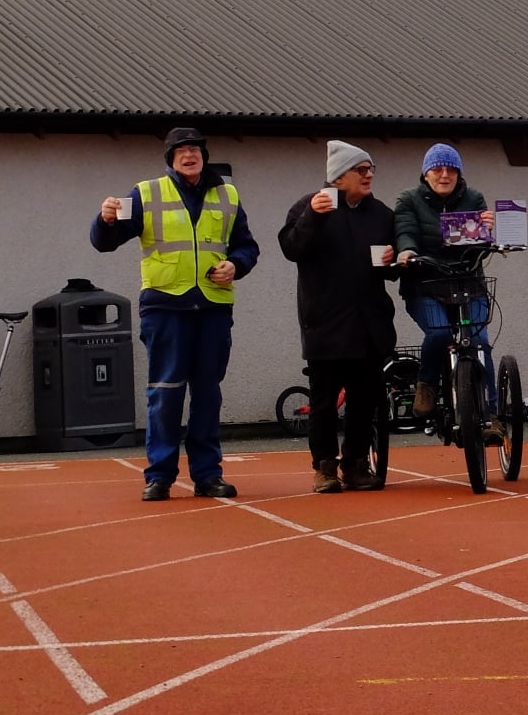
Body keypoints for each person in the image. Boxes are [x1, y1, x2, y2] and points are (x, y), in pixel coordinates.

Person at [91, 126, 259, 501]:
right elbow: (105, 242)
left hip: (213, 307)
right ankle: (160, 476)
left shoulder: (228, 194)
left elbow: (247, 246)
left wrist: (235, 264)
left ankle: (208, 475)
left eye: (195, 149)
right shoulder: (147, 193)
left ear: (204, 155)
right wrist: (105, 219)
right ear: (170, 159)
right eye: (181, 150)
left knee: (207, 393)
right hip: (166, 306)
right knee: (165, 393)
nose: (189, 154)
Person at [277, 142, 400, 493]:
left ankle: (356, 465)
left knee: (365, 401)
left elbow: (392, 271)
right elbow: (291, 248)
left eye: (371, 169)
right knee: (323, 403)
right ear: (338, 176)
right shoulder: (310, 205)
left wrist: (391, 260)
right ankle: (325, 467)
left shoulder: (381, 214)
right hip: (325, 323)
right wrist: (312, 217)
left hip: (369, 324)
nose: (369, 175)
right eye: (361, 170)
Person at [391, 143, 492, 422]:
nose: (444, 175)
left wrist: (489, 231)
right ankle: (426, 385)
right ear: (426, 174)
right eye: (437, 169)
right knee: (440, 334)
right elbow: (406, 231)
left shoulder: (474, 198)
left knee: (479, 342)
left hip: (468, 285)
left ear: (459, 174)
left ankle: (492, 412)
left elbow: (482, 246)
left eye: (451, 170)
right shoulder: (409, 199)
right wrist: (407, 252)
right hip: (426, 285)